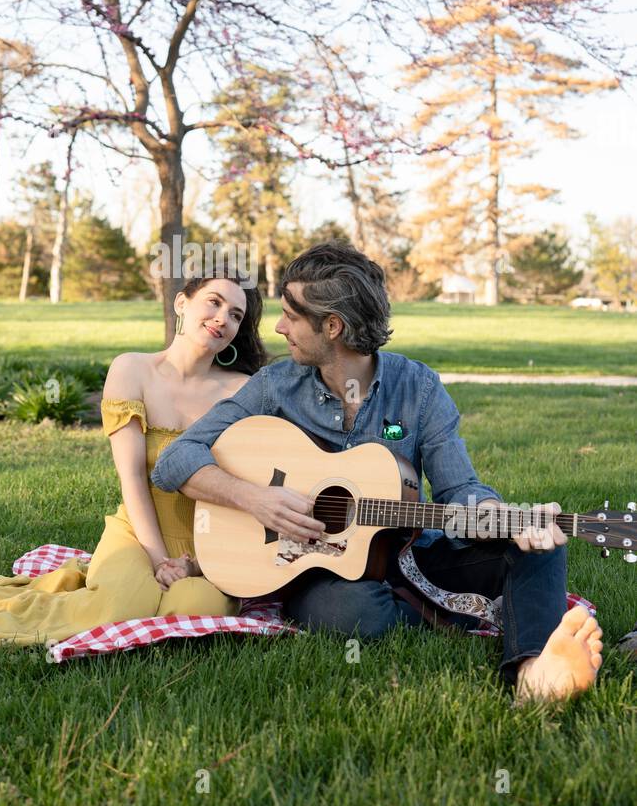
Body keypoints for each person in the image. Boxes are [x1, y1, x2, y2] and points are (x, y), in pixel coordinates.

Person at [150, 241, 604, 705]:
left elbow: (459, 487)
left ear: (332, 326)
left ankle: (534, 674)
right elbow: (174, 461)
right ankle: (454, 611)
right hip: (317, 566)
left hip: (411, 550)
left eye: (291, 315)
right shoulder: (274, 387)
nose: (279, 326)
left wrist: (495, 514)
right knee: (354, 615)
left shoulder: (418, 388)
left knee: (541, 544)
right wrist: (253, 498)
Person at [0, 275, 266, 649]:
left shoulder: (241, 390)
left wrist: (193, 565)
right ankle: (36, 599)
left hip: (208, 548)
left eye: (235, 315)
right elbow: (133, 476)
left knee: (192, 609)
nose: (222, 319)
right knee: (123, 606)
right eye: (214, 302)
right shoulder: (133, 369)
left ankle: (101, 583)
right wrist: (158, 560)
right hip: (138, 532)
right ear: (181, 303)